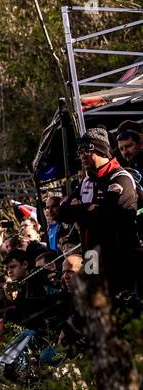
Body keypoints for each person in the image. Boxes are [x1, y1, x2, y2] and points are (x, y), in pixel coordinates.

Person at [56, 128, 141, 298]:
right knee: (96, 305)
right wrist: (88, 209)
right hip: (91, 256)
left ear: (100, 150)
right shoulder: (86, 181)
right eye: (79, 152)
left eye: (87, 150)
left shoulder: (120, 177)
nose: (82, 155)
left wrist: (80, 210)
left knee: (121, 309)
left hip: (119, 257)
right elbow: (62, 212)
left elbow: (107, 215)